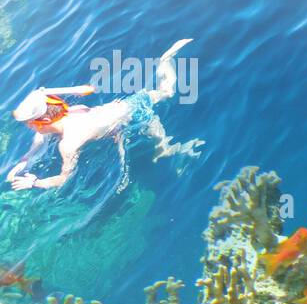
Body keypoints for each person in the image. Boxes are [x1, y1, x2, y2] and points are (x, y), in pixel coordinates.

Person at [7, 39, 202, 193]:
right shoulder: (74, 110)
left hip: (136, 114)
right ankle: (163, 63)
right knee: (163, 93)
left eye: (30, 124)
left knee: (164, 149)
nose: (30, 127)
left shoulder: (67, 144)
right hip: (128, 104)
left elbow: (63, 179)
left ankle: (189, 150)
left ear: (41, 122)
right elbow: (41, 136)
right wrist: (25, 160)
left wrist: (35, 183)